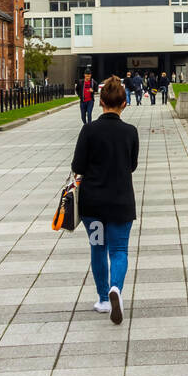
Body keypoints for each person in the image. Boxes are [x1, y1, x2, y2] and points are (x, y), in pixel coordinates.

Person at [71, 74, 138, 325]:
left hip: (93, 205)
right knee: (119, 250)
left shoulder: (88, 131)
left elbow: (78, 165)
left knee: (97, 248)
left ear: (100, 102)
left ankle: (102, 298)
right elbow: (131, 165)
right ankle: (116, 289)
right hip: (120, 203)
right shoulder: (130, 132)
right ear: (124, 103)